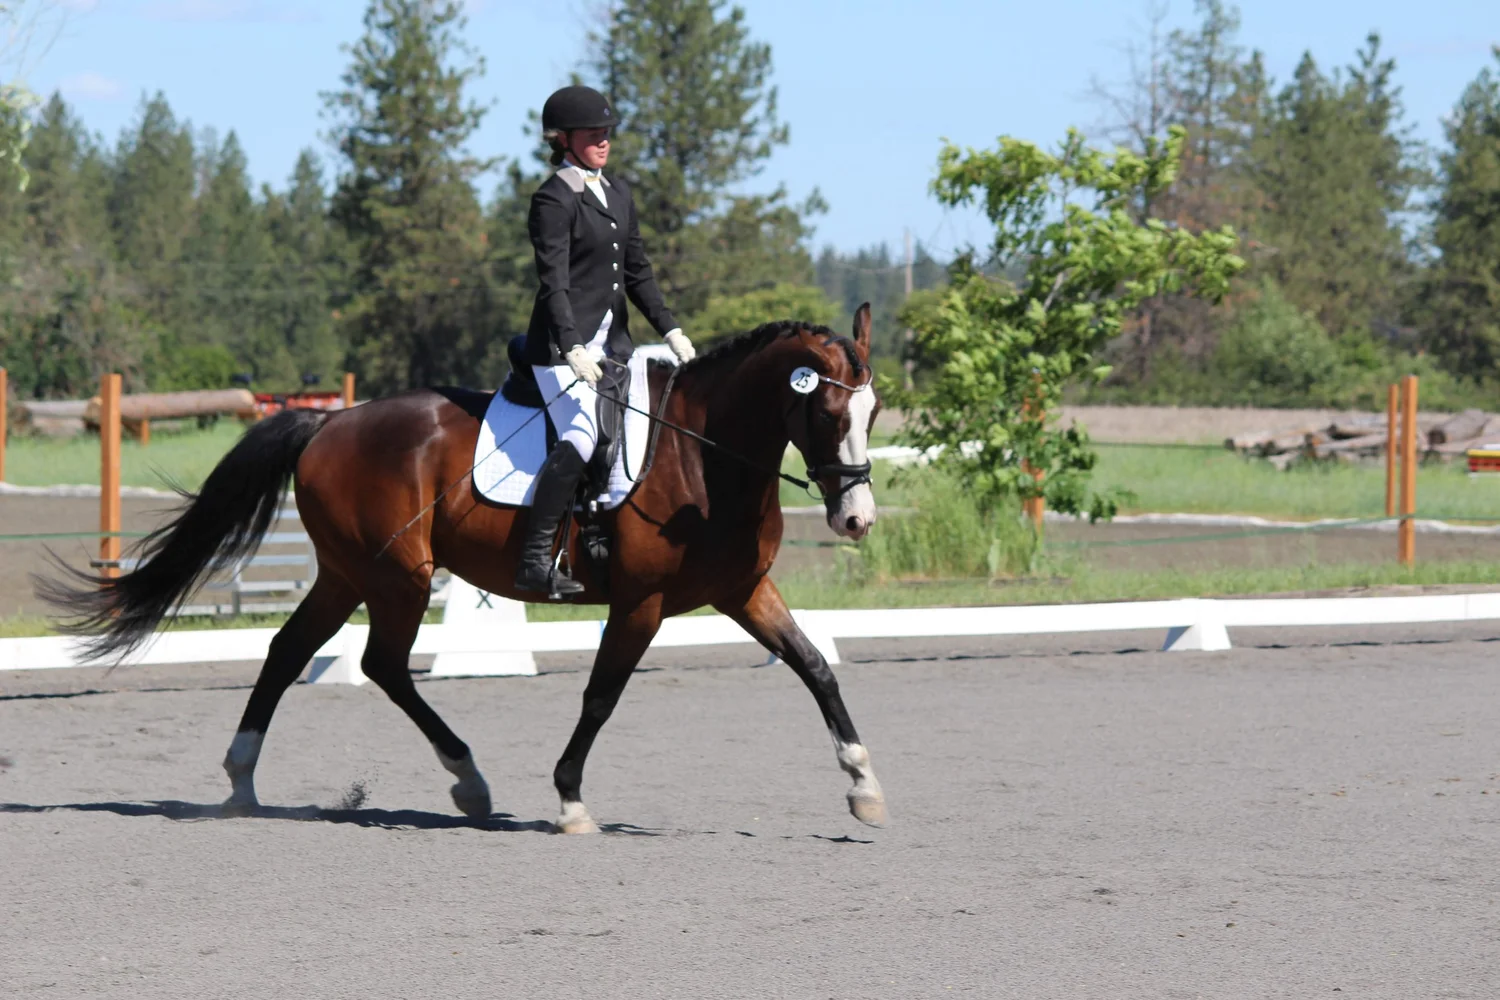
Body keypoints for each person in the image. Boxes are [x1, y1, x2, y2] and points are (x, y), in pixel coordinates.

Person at [516, 84, 695, 597]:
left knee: (641, 436)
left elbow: (637, 272)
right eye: (593, 133)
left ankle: (608, 537)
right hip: (560, 352)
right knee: (582, 436)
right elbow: (554, 282)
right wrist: (572, 345)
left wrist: (671, 328)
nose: (603, 141)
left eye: (607, 132)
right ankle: (534, 561)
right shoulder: (553, 198)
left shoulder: (617, 192)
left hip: (615, 348)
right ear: (563, 139)